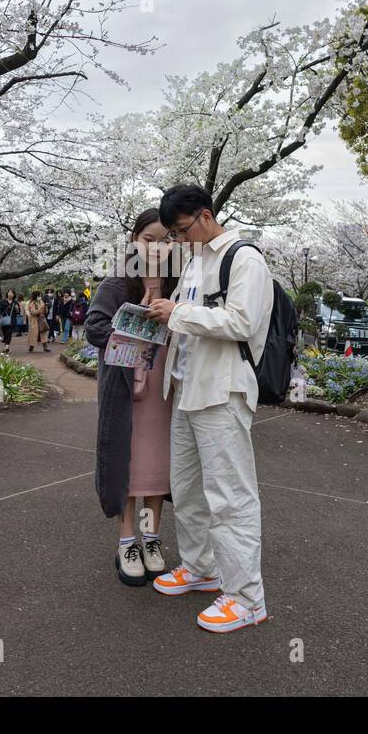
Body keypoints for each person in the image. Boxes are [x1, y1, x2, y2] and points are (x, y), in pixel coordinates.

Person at [144, 184, 273, 634]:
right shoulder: (197, 261)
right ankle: (201, 569)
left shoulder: (245, 257)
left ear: (204, 215)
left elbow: (243, 321)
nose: (179, 241)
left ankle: (246, 597)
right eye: (174, 236)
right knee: (189, 487)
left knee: (231, 496)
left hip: (222, 390)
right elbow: (188, 316)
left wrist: (177, 313)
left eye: (181, 231)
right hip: (185, 388)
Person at [86, 209, 179, 586]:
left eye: (167, 239)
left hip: (164, 389)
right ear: (134, 240)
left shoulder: (180, 285)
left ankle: (152, 540)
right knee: (126, 464)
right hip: (126, 389)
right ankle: (127, 541)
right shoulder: (116, 284)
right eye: (149, 239)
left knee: (158, 467)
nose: (158, 247)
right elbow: (94, 329)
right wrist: (136, 322)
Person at [0, 288, 20, 355]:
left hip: (12, 320)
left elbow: (18, 312)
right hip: (3, 319)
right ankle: (6, 345)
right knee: (5, 333)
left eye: (12, 293)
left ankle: (6, 348)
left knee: (9, 333)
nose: (10, 294)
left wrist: (17, 309)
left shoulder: (15, 302)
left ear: (14, 295)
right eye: (9, 292)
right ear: (7, 294)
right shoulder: (3, 301)